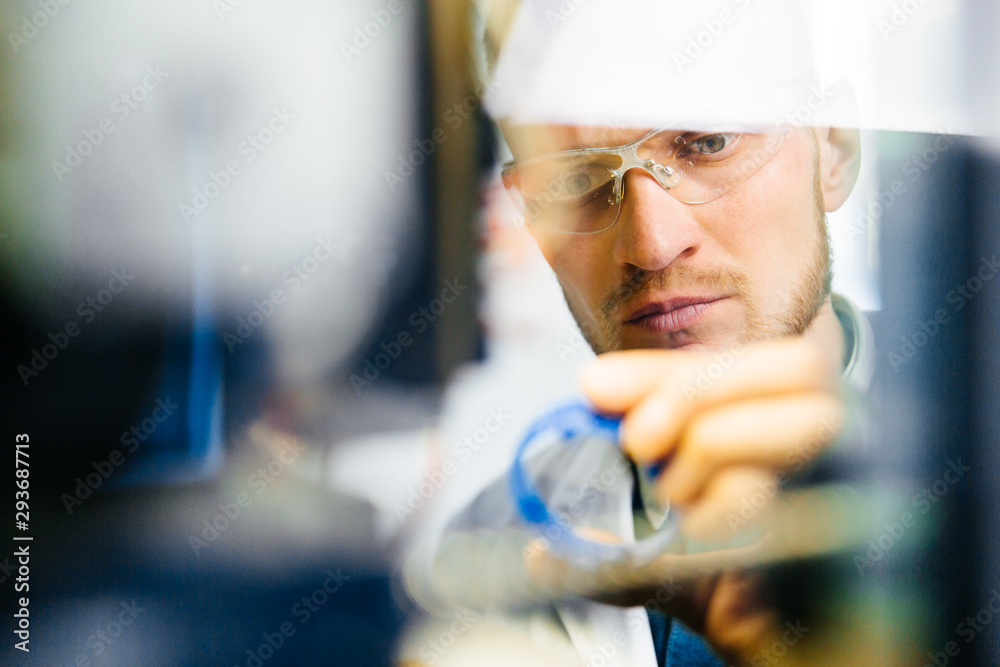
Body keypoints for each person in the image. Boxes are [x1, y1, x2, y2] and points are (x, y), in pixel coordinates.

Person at [403, 2, 877, 665]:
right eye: (576, 179)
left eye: (708, 142)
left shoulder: (969, 477)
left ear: (835, 148)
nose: (652, 244)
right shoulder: (494, 545)